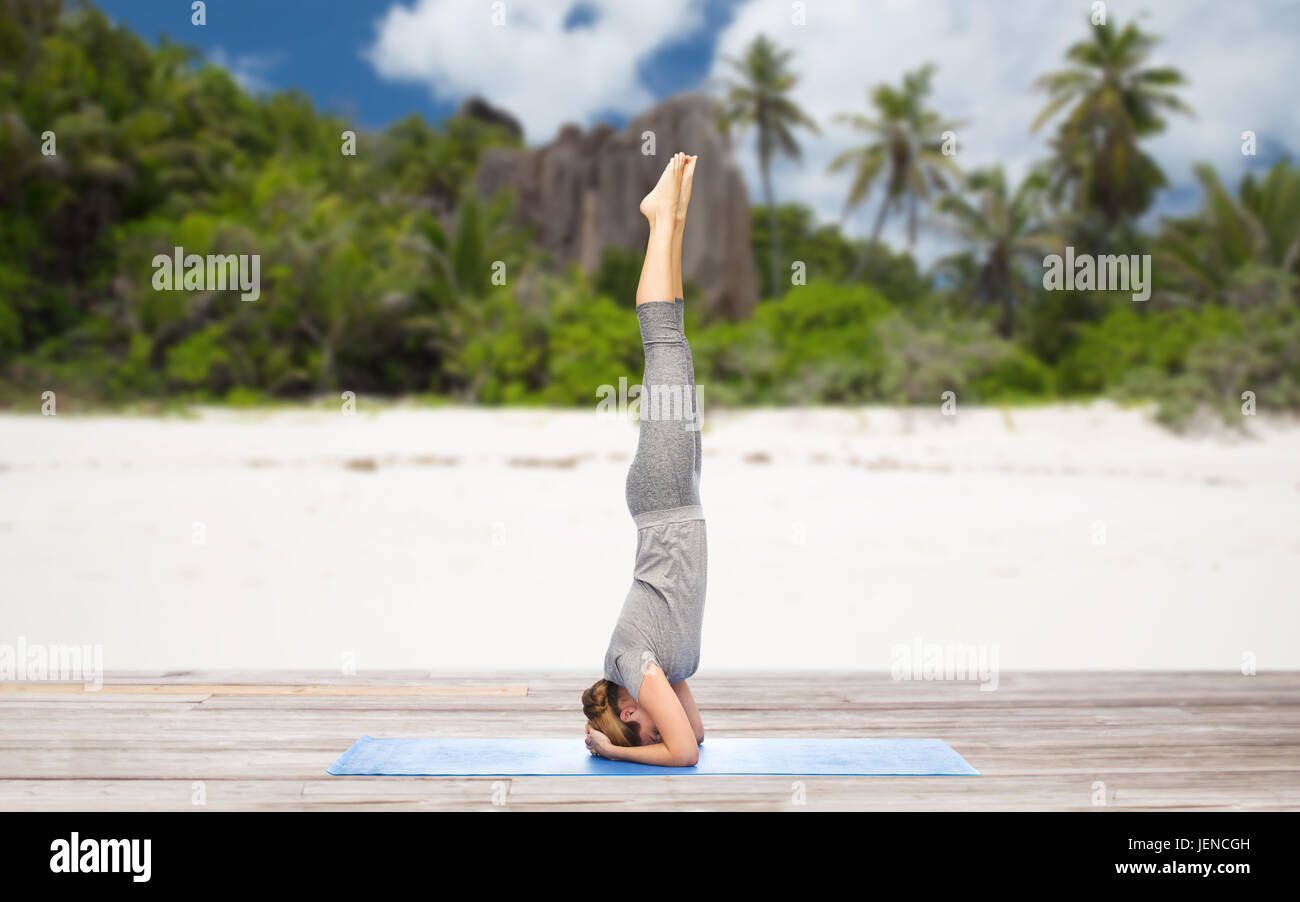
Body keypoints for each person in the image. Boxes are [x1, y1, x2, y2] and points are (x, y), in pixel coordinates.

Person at [582, 152, 707, 767]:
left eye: (644, 732)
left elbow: (681, 754)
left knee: (662, 347)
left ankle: (659, 218)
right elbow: (697, 737)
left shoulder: (632, 663)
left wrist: (614, 753)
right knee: (677, 348)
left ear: (631, 712)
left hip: (661, 497)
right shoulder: (666, 668)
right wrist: (645, 737)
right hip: (681, 496)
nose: (662, 731)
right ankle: (673, 219)